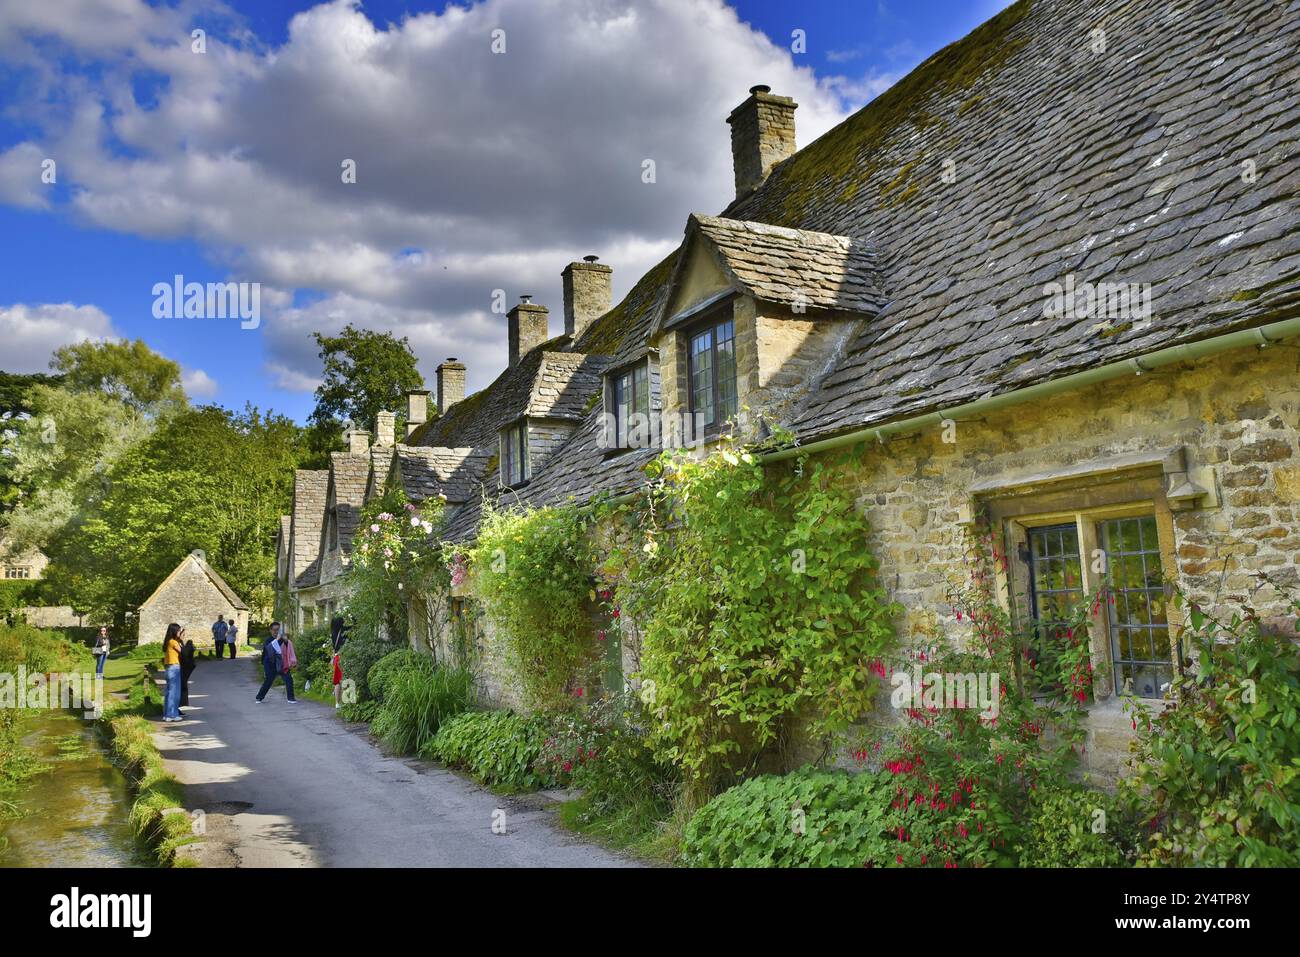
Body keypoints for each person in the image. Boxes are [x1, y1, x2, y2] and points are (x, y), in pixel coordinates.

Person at [255, 622, 297, 704]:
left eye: (278, 630)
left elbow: (288, 648)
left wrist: (286, 641)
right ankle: (259, 697)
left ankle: (291, 698)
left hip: (282, 664)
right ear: (270, 630)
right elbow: (269, 650)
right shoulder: (268, 640)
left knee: (288, 679)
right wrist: (277, 639)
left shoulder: (282, 639)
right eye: (274, 630)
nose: (276, 632)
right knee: (268, 681)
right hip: (270, 664)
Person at [162, 623, 184, 722]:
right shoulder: (174, 642)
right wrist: (181, 639)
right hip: (174, 667)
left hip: (168, 668)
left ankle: (166, 714)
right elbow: (182, 651)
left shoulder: (168, 641)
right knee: (174, 693)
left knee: (169, 692)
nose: (180, 633)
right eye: (179, 631)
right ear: (175, 631)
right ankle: (172, 715)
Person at [330, 615, 351, 709]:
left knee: (337, 681)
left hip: (337, 657)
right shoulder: (343, 632)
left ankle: (337, 703)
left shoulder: (333, 633)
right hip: (344, 656)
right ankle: (347, 703)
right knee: (345, 679)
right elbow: (354, 626)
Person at [179, 636, 197, 711]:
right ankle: (180, 705)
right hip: (186, 666)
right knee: (183, 686)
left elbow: (183, 653)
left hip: (184, 667)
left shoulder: (183, 647)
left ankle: (179, 705)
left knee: (182, 686)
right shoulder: (179, 644)